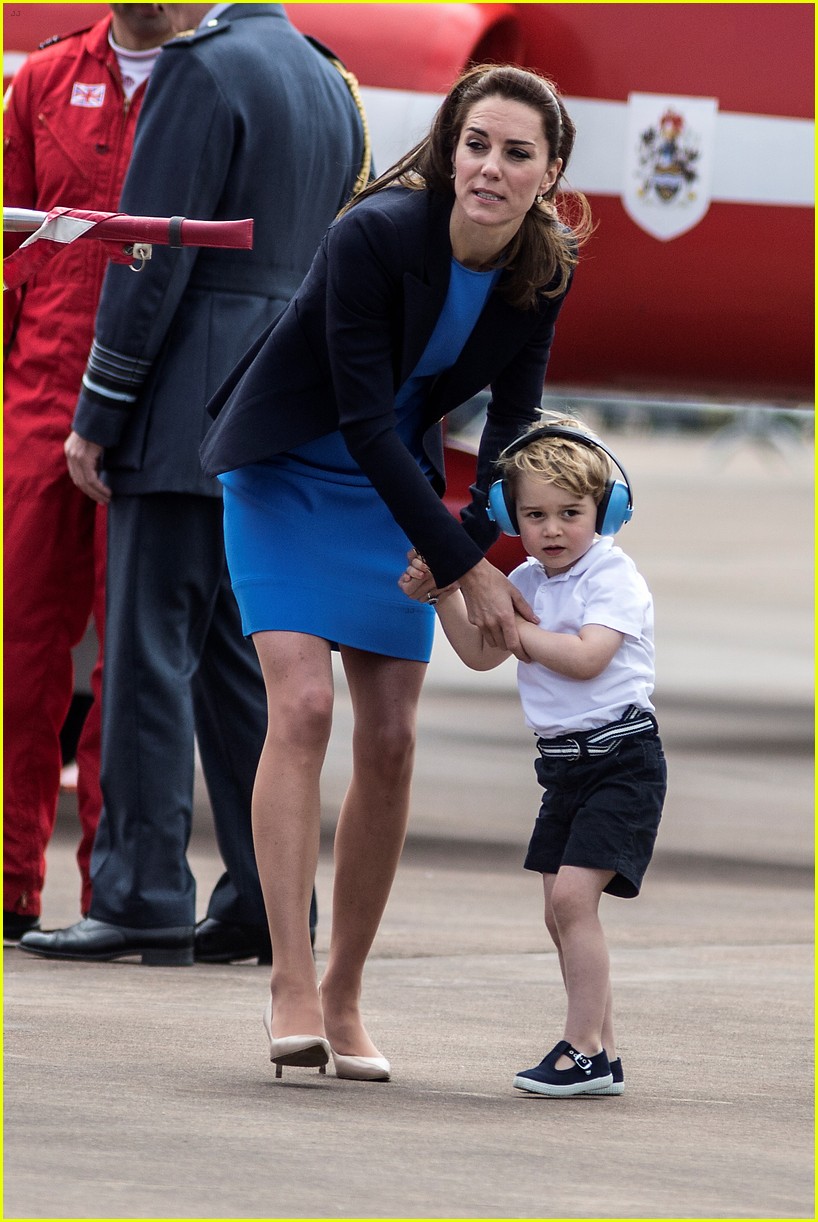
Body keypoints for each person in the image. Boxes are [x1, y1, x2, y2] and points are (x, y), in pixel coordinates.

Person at [194, 64, 592, 1079]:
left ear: (549, 173)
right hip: (290, 473)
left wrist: (474, 539)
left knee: (394, 735)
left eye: (515, 153)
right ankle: (290, 977)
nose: (488, 168)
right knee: (303, 707)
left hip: (394, 495)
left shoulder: (540, 269)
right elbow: (365, 417)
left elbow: (509, 426)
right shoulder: (374, 234)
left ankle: (346, 993)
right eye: (475, 144)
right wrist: (465, 566)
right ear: (449, 146)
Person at [18, 2, 368, 966]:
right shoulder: (322, 76)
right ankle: (268, 899)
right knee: (230, 664)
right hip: (273, 402)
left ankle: (140, 890)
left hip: (179, 405)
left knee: (145, 654)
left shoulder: (196, 68)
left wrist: (100, 408)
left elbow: (151, 250)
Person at [400, 415, 667, 1096]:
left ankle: (579, 1049)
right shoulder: (523, 576)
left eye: (571, 512)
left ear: (606, 510)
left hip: (621, 761)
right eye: (535, 514)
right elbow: (482, 653)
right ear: (509, 515)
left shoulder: (613, 577)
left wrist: (515, 628)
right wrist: (447, 593)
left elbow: (585, 659)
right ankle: (602, 1052)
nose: (553, 528)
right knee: (558, 912)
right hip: (563, 768)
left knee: (575, 902)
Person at [3, 4, 173, 944]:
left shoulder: (206, 83)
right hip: (37, 400)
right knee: (19, 647)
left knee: (136, 661)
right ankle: (7, 880)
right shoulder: (41, 79)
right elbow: (9, 254)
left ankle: (119, 892)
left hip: (152, 406)